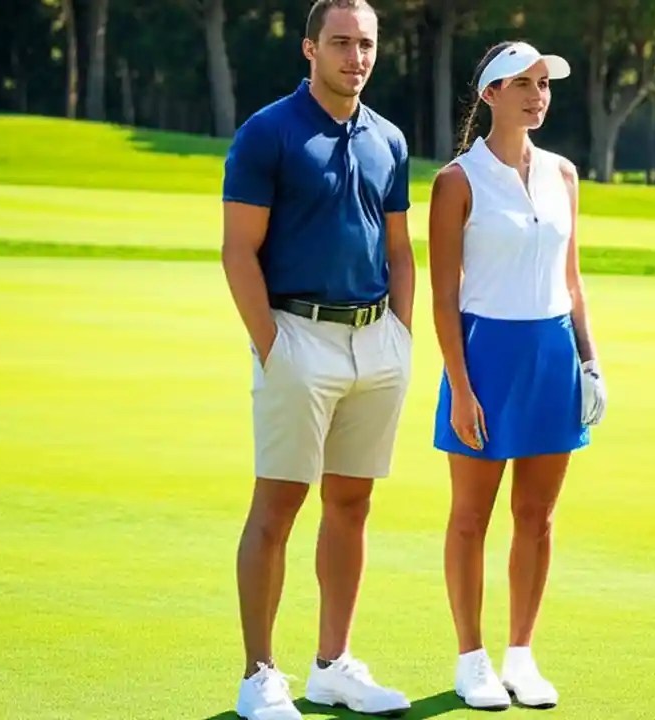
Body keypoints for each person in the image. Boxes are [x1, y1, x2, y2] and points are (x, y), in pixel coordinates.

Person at [219, 1, 415, 718]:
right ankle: (259, 675)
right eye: (340, 43)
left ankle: (333, 666)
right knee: (277, 506)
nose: (355, 57)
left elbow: (400, 250)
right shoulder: (268, 132)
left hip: (375, 340)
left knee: (352, 504)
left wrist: (400, 336)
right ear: (310, 49)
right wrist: (271, 345)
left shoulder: (389, 139)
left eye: (365, 44)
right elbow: (238, 250)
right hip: (296, 336)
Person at [426, 41, 607, 711]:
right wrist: (461, 387)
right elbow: (444, 295)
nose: (537, 95)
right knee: (471, 517)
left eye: (543, 84)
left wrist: (590, 362)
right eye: (522, 84)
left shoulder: (564, 174)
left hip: (553, 354)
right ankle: (471, 659)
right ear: (490, 95)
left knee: (537, 516)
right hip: (486, 358)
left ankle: (521, 658)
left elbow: (572, 279)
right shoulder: (457, 181)